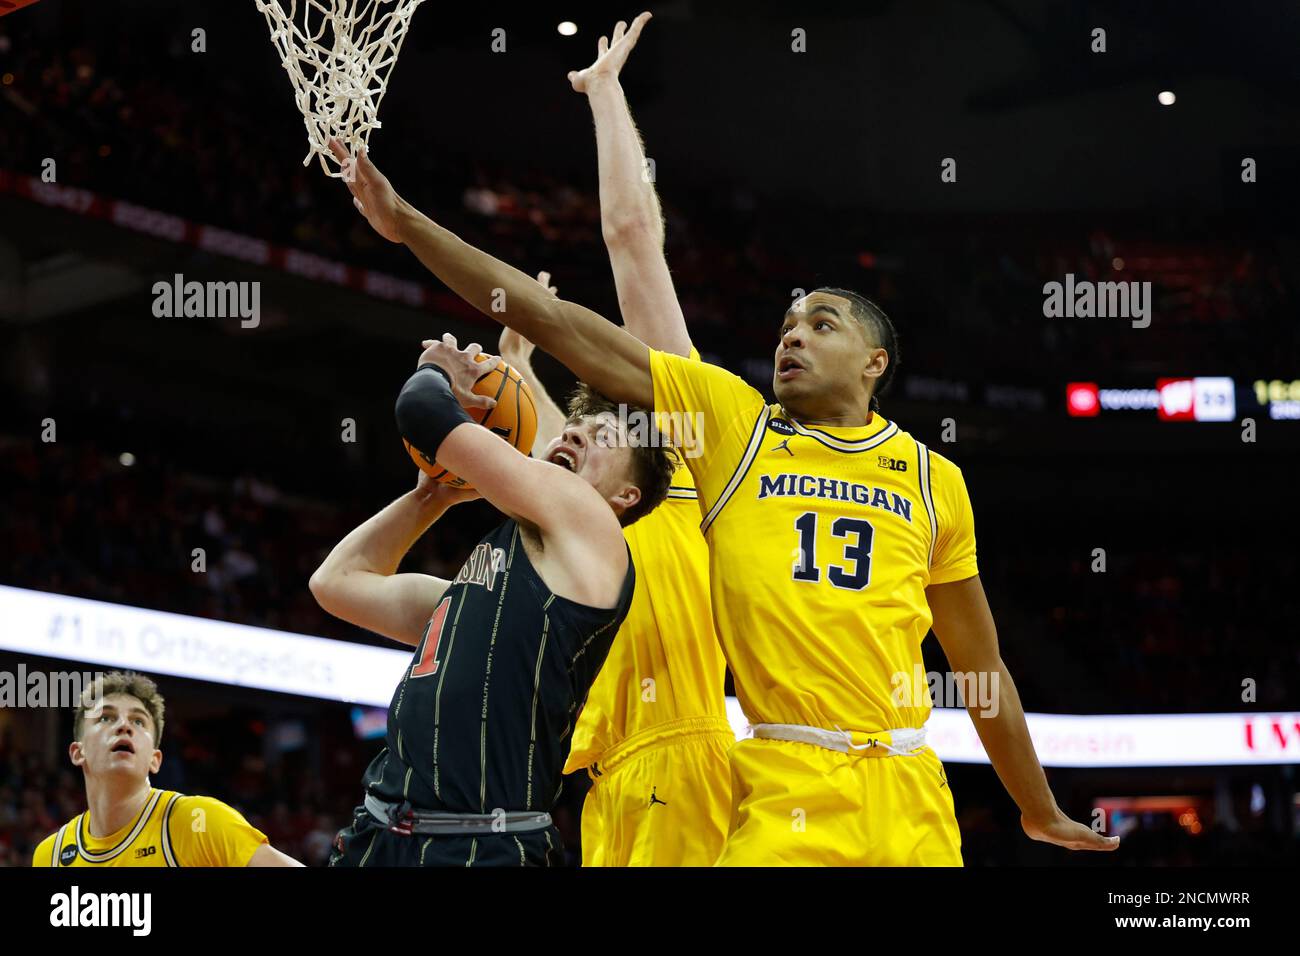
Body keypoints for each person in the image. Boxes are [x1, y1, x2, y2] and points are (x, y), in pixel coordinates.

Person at [326, 20, 1118, 860]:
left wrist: (1035, 804)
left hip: (885, 779)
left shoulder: (922, 478)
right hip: (745, 778)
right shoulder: (728, 431)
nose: (794, 335)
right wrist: (409, 226)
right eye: (786, 322)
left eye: (821, 321)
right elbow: (558, 316)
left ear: (877, 362)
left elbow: (979, 664)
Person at [495, 14, 732, 867]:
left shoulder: (680, 486)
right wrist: (516, 368)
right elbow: (552, 445)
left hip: (687, 762)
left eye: (596, 433)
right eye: (574, 433)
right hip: (602, 796)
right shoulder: (585, 529)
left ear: (638, 473)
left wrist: (604, 97)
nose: (570, 443)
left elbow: (633, 242)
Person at [310, 335, 675, 866]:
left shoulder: (594, 525)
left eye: (603, 437)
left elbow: (421, 410)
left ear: (625, 498)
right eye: (576, 425)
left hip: (484, 845)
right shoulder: (477, 589)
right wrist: (430, 496)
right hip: (380, 831)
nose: (574, 430)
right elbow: (337, 582)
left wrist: (437, 370)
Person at [33, 671, 302, 867]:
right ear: (78, 752)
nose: (124, 726)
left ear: (155, 759)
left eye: (138, 721)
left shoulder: (199, 821)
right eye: (106, 717)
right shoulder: (51, 856)